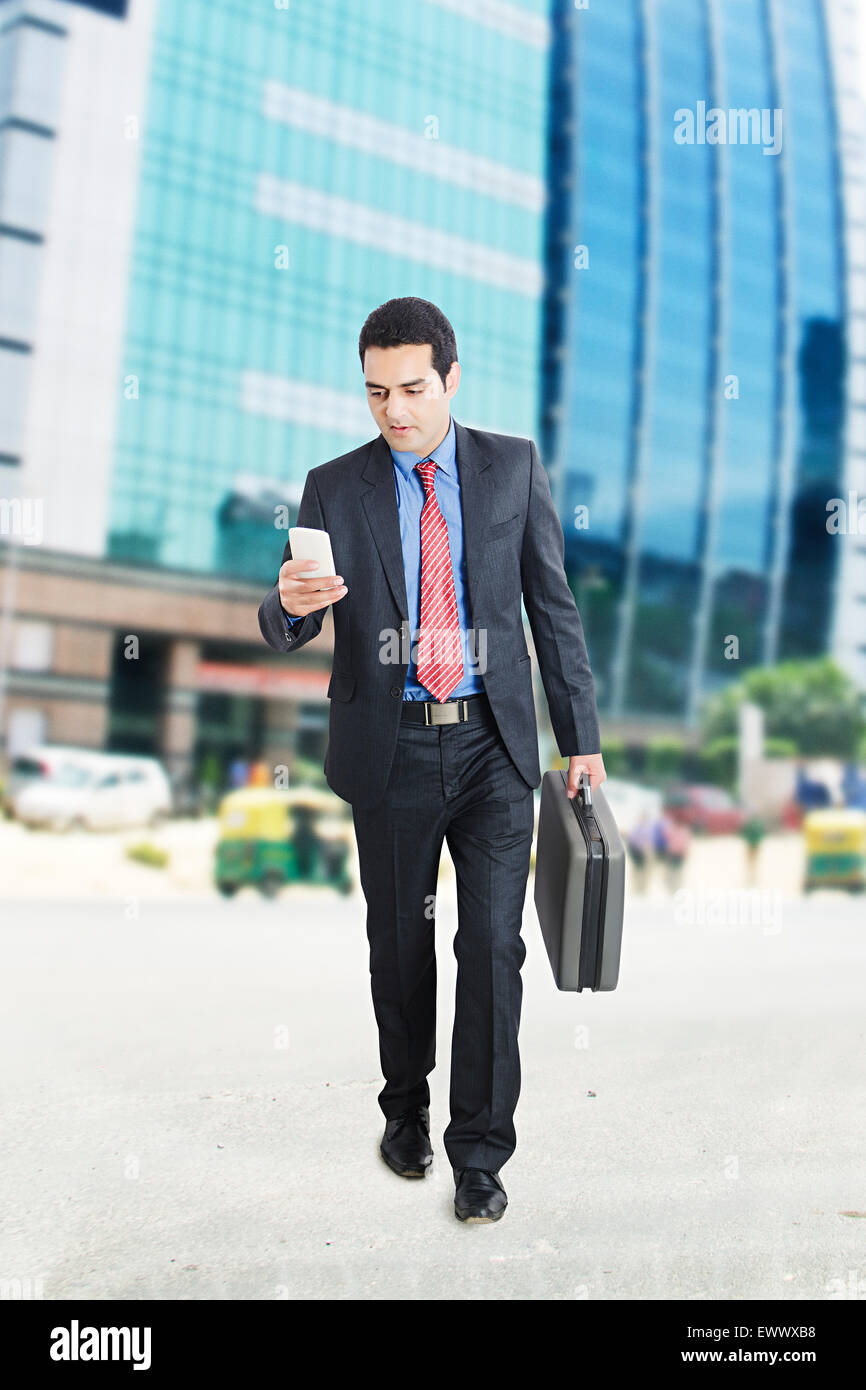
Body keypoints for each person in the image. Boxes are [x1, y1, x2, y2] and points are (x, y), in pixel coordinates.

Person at [257, 297, 605, 1224]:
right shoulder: (336, 485)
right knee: (401, 946)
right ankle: (403, 1109)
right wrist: (292, 604)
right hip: (393, 748)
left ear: (451, 378)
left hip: (495, 746)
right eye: (376, 393)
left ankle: (481, 1154)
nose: (395, 412)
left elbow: (552, 609)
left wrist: (583, 742)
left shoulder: (512, 469)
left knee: (492, 948)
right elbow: (287, 615)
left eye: (412, 390)